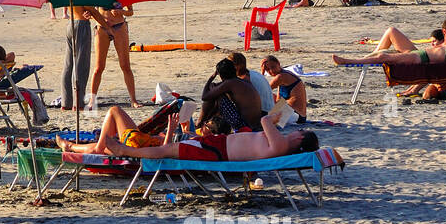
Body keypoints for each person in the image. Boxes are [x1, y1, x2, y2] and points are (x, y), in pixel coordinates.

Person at [104, 102, 319, 163]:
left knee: (167, 150)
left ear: (300, 138)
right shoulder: (280, 145)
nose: (294, 132)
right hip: (218, 146)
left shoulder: (281, 145)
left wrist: (272, 118)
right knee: (168, 148)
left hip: (218, 152)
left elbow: (264, 120)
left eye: (298, 132)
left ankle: (125, 151)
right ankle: (125, 149)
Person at [88, 3, 138, 106]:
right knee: (99, 67)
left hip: (119, 27)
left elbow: (130, 12)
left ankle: (133, 100)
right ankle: (92, 100)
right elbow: (92, 11)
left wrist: (121, 12)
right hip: (102, 28)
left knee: (125, 65)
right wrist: (89, 14)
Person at [198, 57, 264, 132]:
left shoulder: (230, 83)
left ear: (220, 75)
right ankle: (205, 122)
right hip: (255, 124)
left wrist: (211, 78)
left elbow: (205, 97)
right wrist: (214, 88)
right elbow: (217, 87)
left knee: (217, 95)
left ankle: (200, 123)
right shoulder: (243, 81)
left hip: (244, 125)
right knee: (215, 91)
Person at [62, 5, 92, 111]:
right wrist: (107, 27)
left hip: (71, 23)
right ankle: (78, 103)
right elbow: (92, 9)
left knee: (69, 64)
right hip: (81, 23)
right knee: (81, 64)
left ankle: (66, 102)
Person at [261, 55, 307, 122]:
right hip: (299, 116)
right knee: (270, 96)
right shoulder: (284, 73)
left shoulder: (281, 77)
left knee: (263, 98)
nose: (271, 71)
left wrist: (262, 73)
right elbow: (278, 100)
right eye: (267, 69)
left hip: (296, 116)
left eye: (273, 67)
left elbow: (263, 89)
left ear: (278, 64)